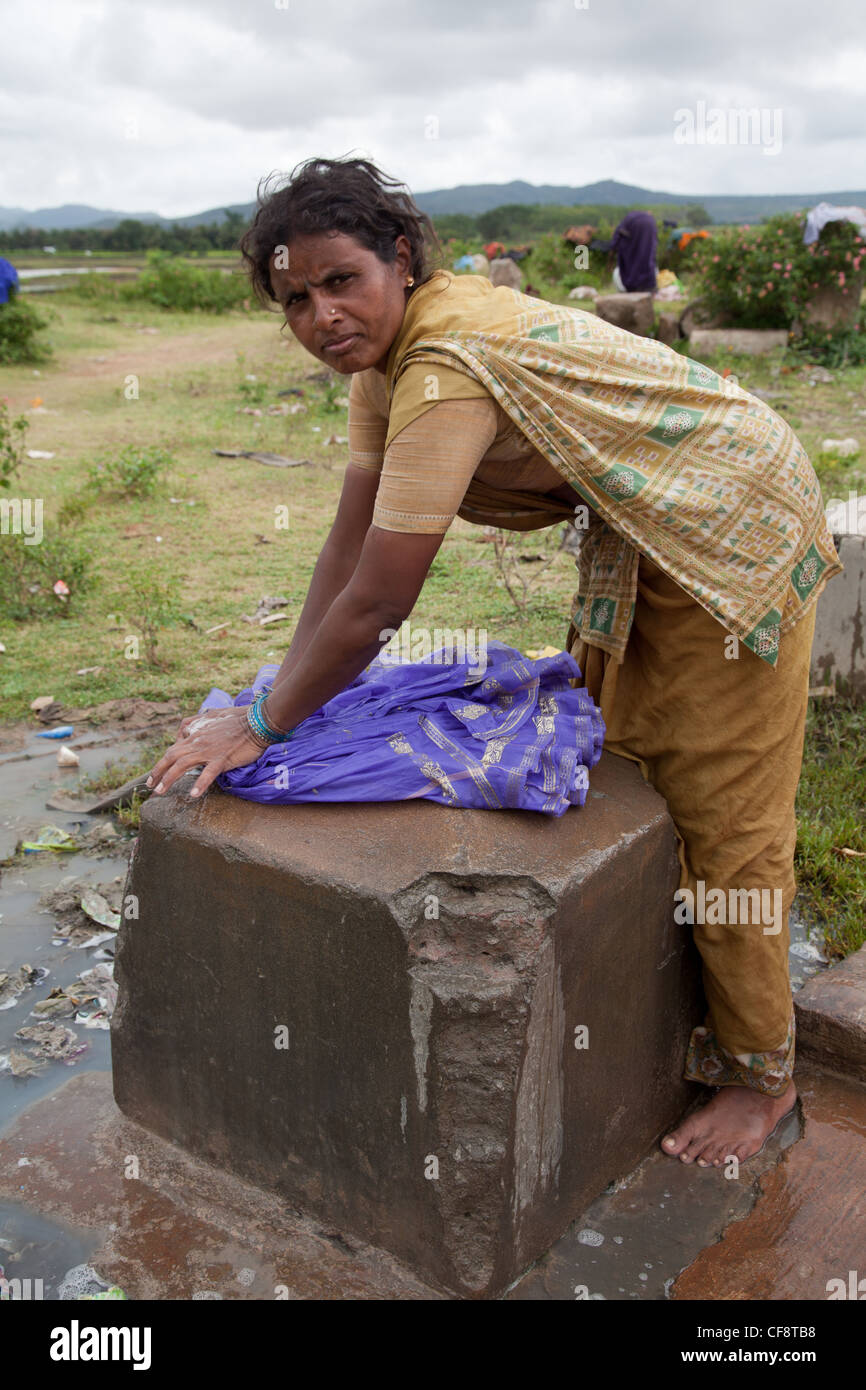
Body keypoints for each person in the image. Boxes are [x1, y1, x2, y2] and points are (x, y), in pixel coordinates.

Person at [146, 155, 841, 1169]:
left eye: (340, 281)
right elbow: (344, 551)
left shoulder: (443, 363)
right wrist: (269, 694)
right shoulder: (386, 366)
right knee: (630, 747)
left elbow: (382, 600)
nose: (320, 315)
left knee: (722, 801)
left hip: (727, 523)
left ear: (397, 259)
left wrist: (259, 726)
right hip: (648, 523)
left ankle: (760, 1077)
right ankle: (678, 1000)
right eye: (294, 298)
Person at [610, 210, 658, 292]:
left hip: (631, 281)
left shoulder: (628, 221)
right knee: (647, 257)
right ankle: (647, 286)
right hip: (648, 282)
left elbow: (616, 241)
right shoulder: (650, 222)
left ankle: (633, 287)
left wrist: (614, 248)